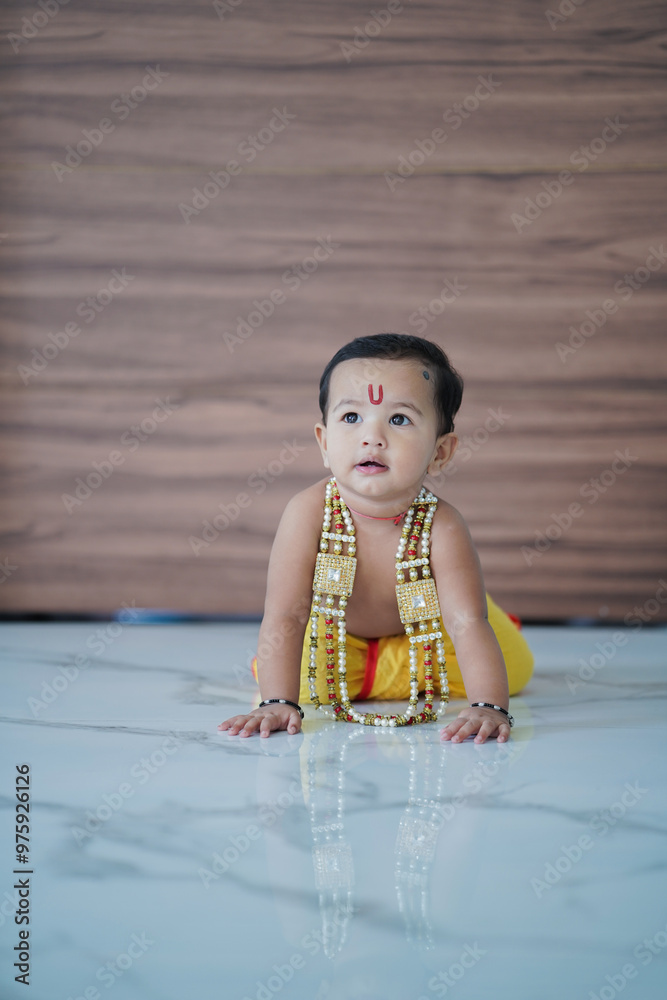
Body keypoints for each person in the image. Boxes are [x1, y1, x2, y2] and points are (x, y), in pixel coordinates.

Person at [218, 334, 533, 743]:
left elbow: (465, 623)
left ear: (440, 453)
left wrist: (488, 706)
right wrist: (278, 700)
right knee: (288, 674)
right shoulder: (307, 512)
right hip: (337, 634)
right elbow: (287, 615)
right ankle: (386, 669)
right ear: (325, 442)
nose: (372, 437)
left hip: (428, 628)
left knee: (515, 665)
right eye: (351, 418)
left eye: (399, 419)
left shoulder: (443, 525)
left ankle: (384, 669)